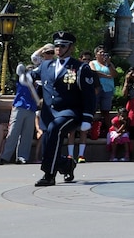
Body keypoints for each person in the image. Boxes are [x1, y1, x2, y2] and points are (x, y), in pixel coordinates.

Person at [23, 31, 96, 187]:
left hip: (69, 112)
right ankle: (66, 164)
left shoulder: (80, 68)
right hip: (49, 113)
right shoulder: (46, 65)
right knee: (47, 145)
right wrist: (24, 76)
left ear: (71, 48)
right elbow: (32, 76)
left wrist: (87, 117)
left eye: (63, 46)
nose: (58, 49)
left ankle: (49, 175)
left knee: (55, 130)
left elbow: (89, 95)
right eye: (56, 46)